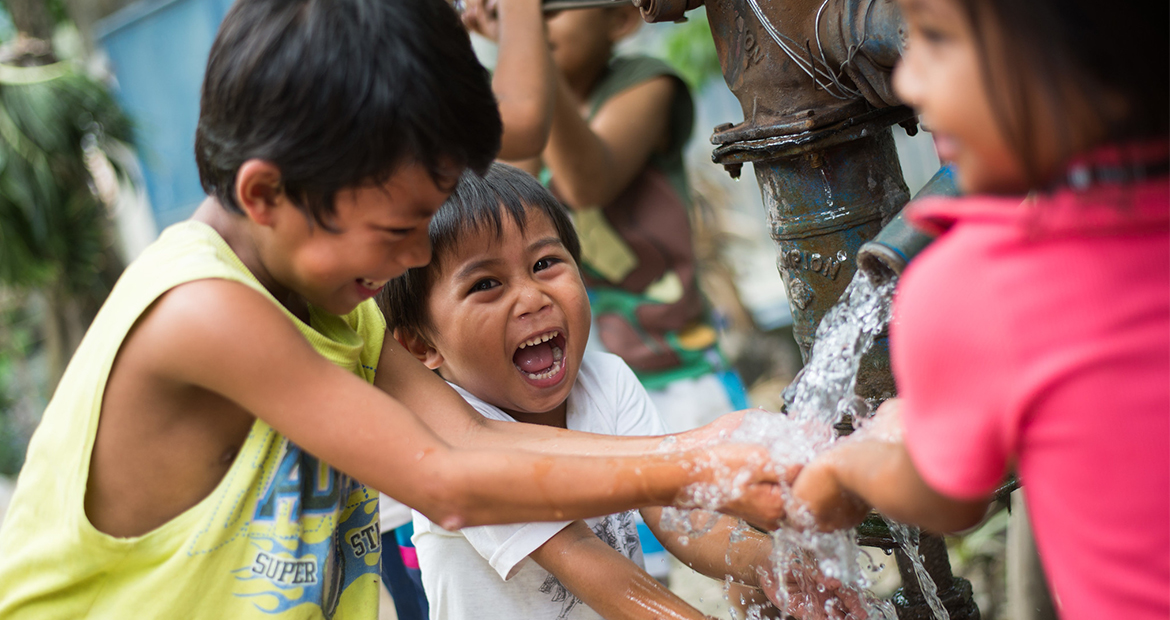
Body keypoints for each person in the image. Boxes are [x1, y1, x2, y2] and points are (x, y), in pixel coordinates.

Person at [0, 1, 792, 617]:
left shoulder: (341, 297)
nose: (416, 257)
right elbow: (453, 480)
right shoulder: (205, 314)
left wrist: (717, 449)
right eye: (397, 230)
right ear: (266, 194)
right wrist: (701, 459)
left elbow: (478, 437)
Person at [789, 1, 1169, 619]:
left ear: (1084, 53)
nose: (909, 81)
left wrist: (849, 465)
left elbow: (946, 500)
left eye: (936, 38)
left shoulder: (982, 283)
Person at [379, 162, 861, 620]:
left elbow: (679, 516)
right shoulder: (458, 444)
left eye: (545, 263)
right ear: (422, 345)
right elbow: (586, 563)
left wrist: (774, 565)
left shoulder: (606, 380)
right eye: (486, 284)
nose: (532, 298)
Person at [461, 0, 750, 434]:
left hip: (677, 371)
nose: (531, 21)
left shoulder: (648, 82)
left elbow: (586, 182)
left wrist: (528, 46)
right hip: (580, 377)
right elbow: (515, 198)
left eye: (546, 9)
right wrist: (520, 54)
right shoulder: (524, 111)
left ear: (619, 18)